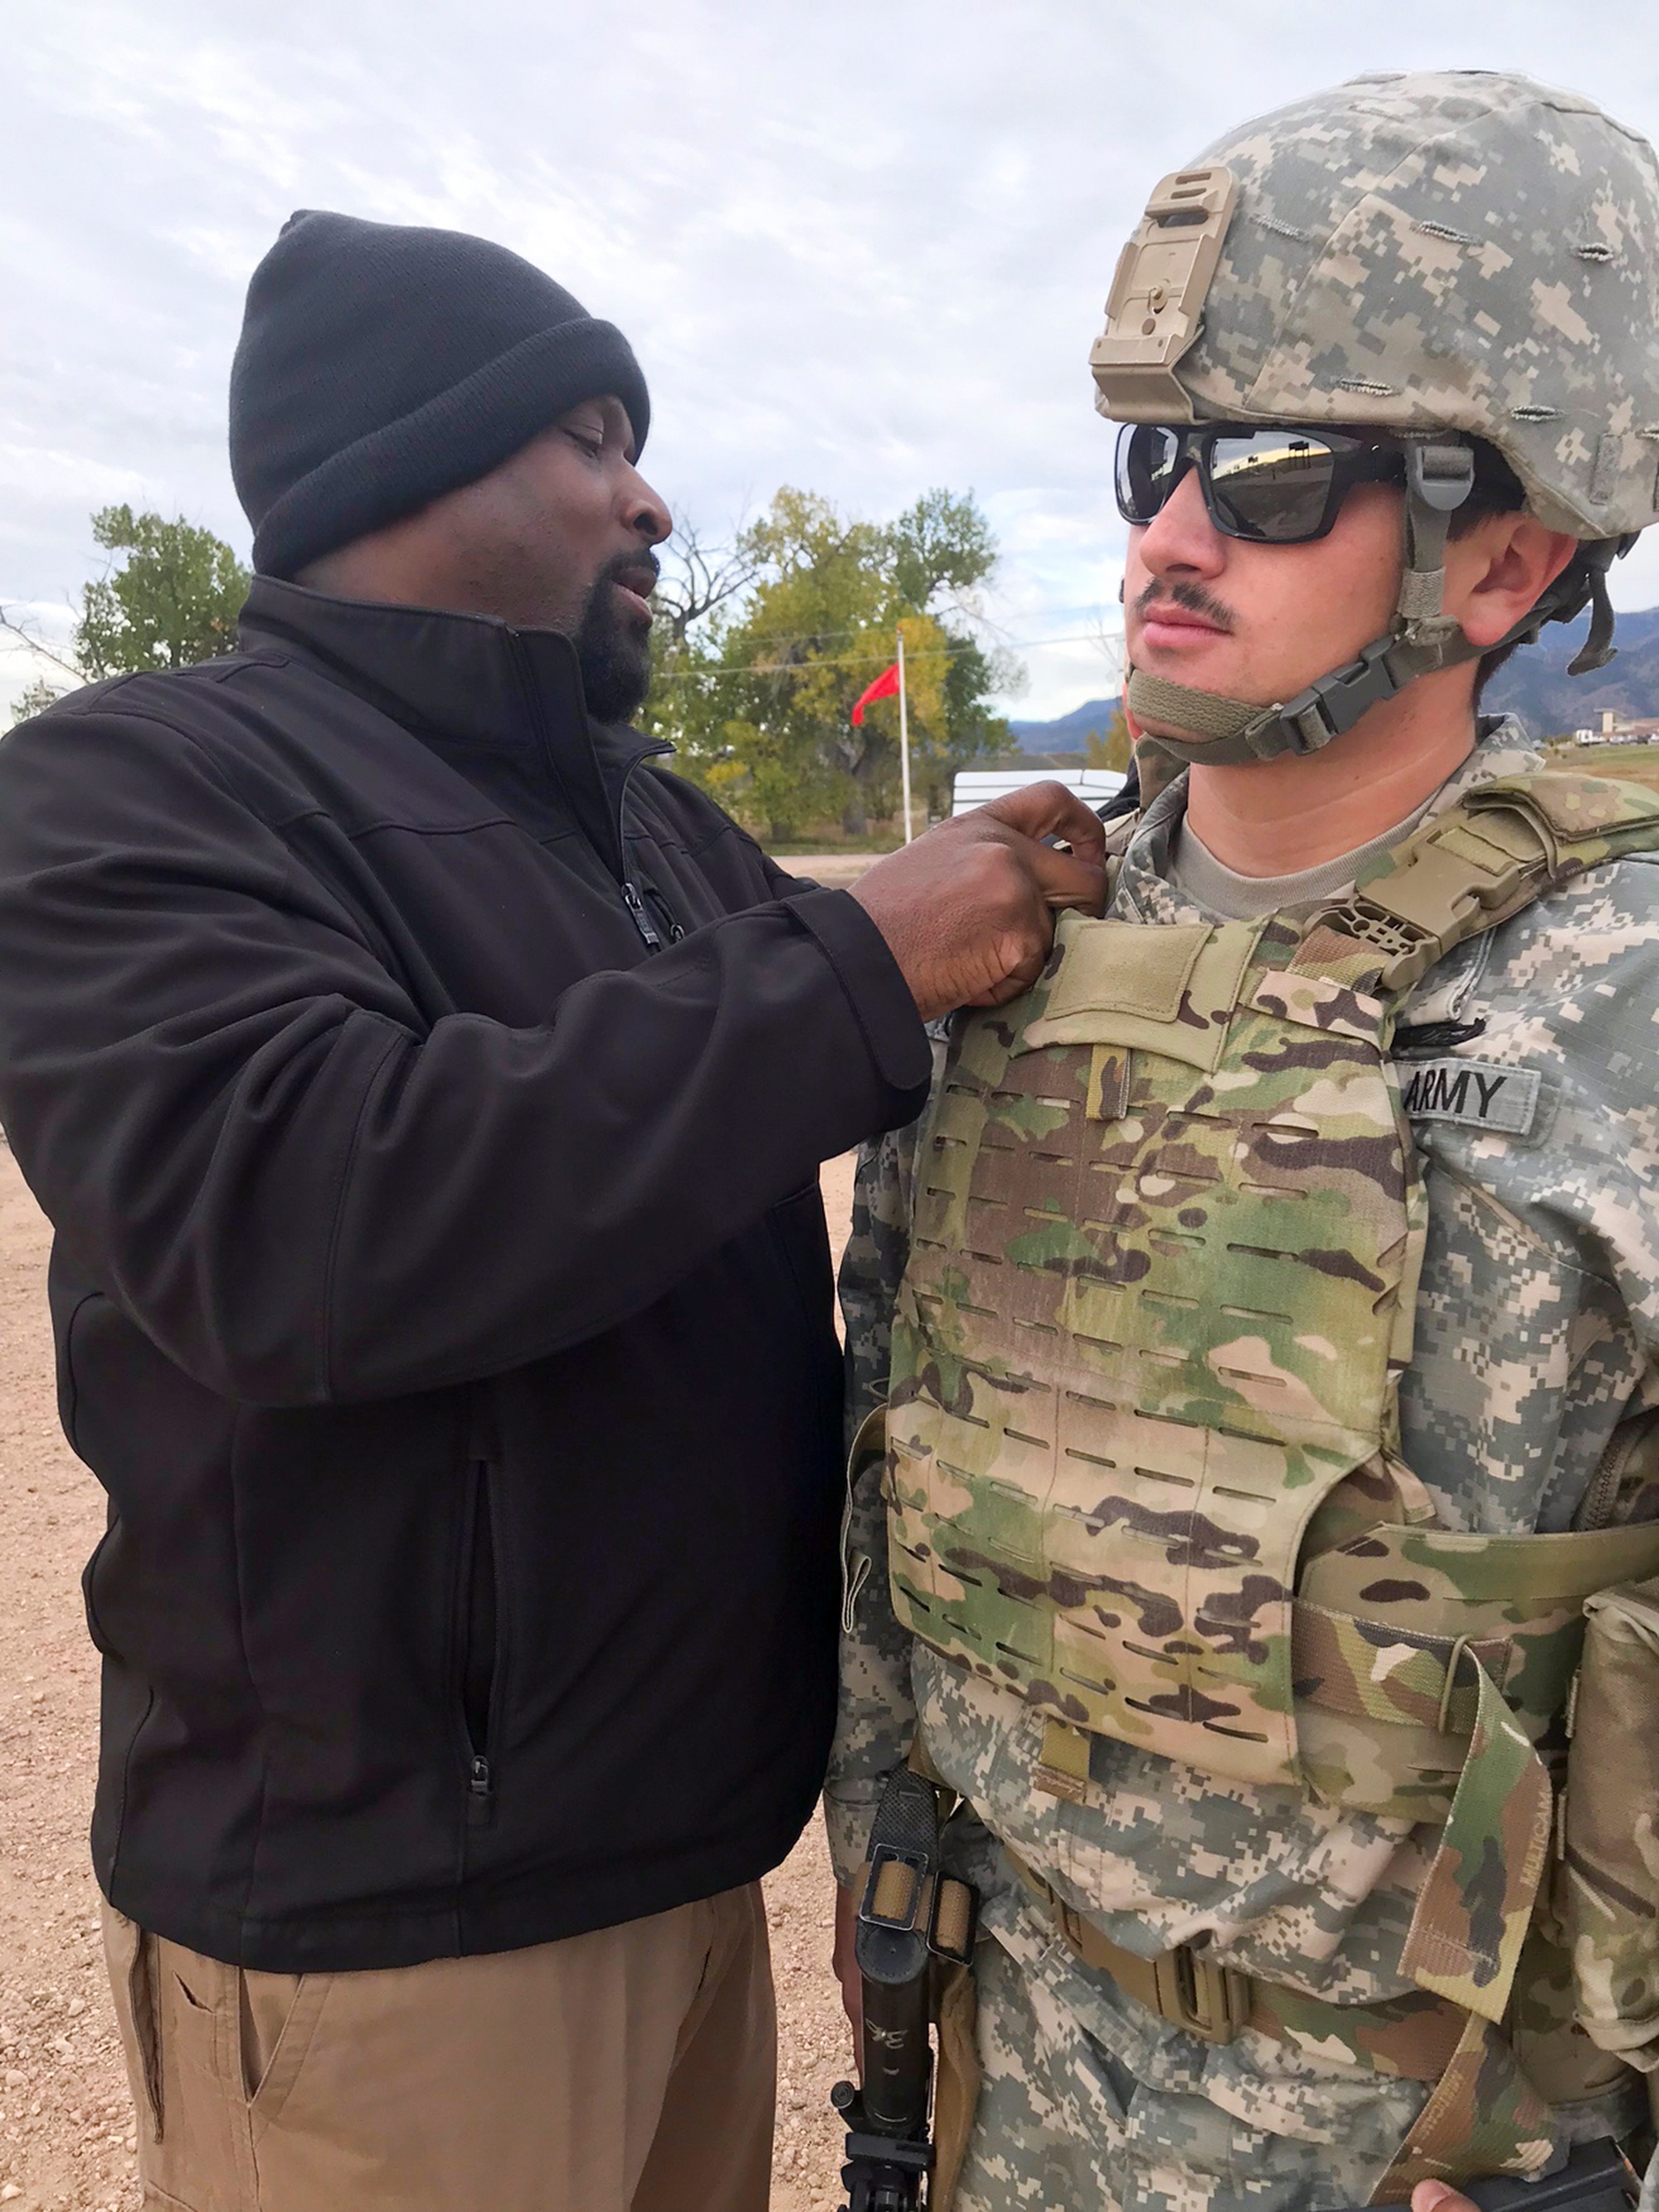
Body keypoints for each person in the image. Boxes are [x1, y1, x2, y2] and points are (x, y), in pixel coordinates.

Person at [0, 210, 1104, 2212]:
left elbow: (830, 1045)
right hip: (388, 1953)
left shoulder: (646, 815)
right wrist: (853, 960)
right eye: (599, 436)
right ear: (410, 462)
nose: (650, 494)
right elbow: (297, 1215)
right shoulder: (138, 785)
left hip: (687, 1873)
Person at [829, 70, 1659, 2212]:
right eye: (1159, 461)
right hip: (1012, 2059)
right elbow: (897, 1475)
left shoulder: (1626, 980)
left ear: (1515, 553)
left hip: (1440, 2140)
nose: (1173, 537)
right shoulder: (1018, 926)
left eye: (1281, 479)